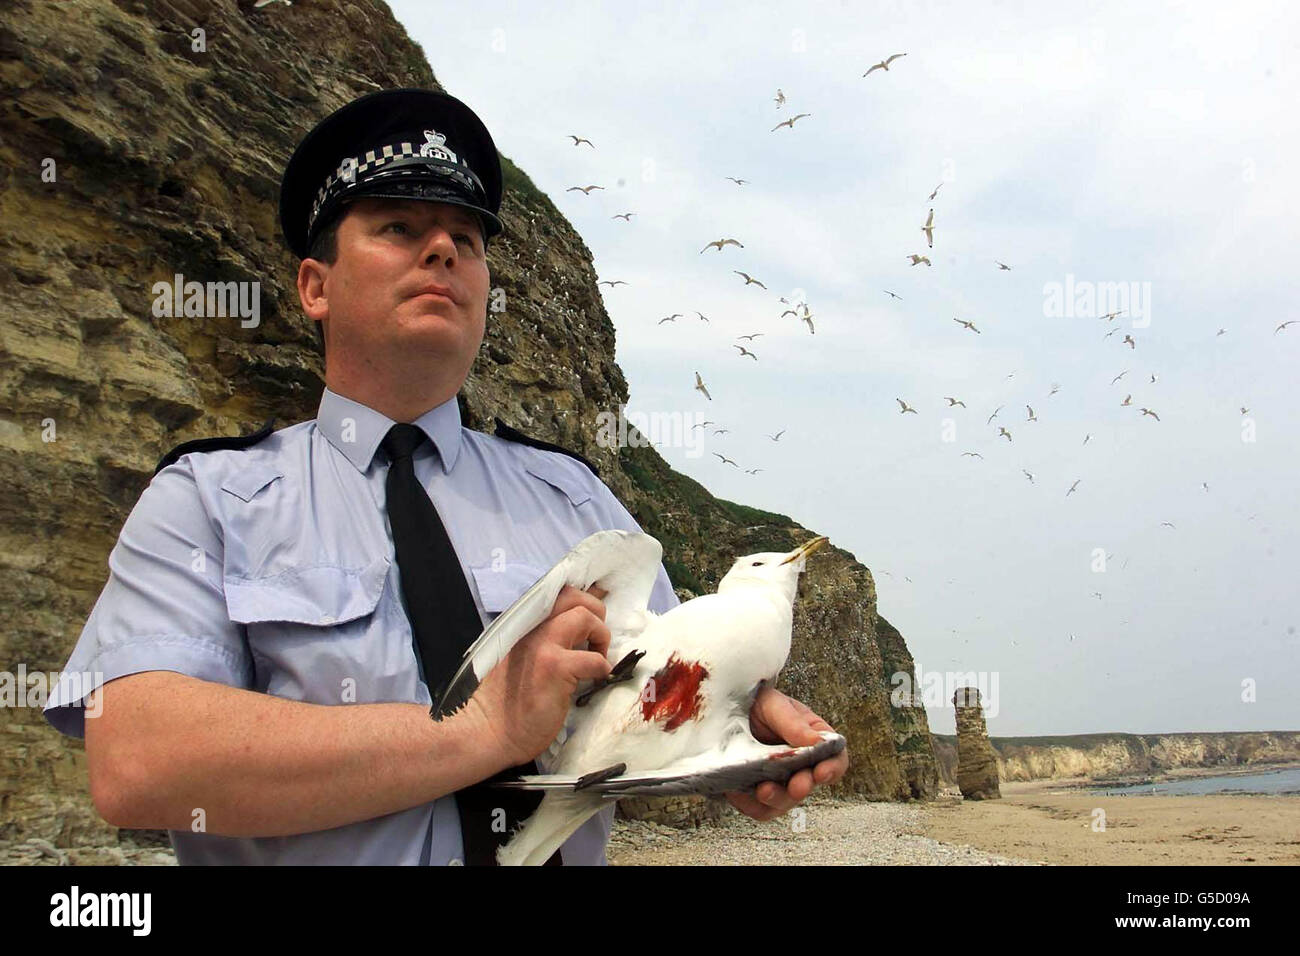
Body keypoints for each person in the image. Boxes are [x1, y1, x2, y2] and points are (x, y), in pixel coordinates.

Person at [43, 87, 848, 865]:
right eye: (399, 226)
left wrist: (745, 724)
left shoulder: (577, 501)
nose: (444, 251)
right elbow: (140, 763)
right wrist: (482, 730)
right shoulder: (206, 502)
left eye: (467, 241)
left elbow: (665, 675)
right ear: (314, 286)